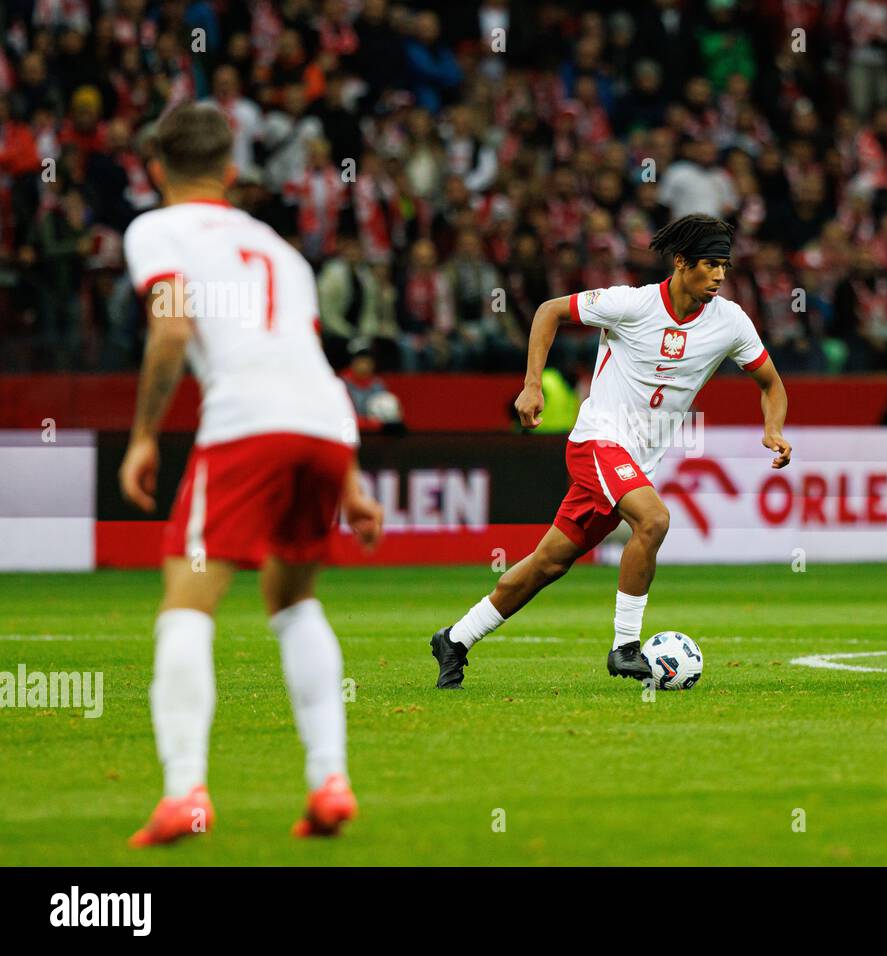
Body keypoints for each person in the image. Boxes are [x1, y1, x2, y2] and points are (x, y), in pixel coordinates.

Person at [118, 104, 384, 846]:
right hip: (321, 429)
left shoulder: (156, 229)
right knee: (292, 602)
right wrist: (354, 482)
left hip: (245, 427)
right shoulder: (280, 249)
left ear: (157, 169)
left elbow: (170, 328)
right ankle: (330, 781)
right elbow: (314, 365)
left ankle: (184, 794)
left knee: (187, 603)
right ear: (233, 173)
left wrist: (144, 437)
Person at [429, 213, 791, 689]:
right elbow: (549, 311)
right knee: (654, 520)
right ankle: (624, 646)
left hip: (633, 462)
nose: (720, 276)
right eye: (710, 264)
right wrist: (532, 385)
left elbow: (771, 383)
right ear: (682, 262)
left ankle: (455, 638)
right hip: (597, 440)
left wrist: (773, 427)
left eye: (725, 265)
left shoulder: (730, 322)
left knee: (549, 563)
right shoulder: (631, 303)